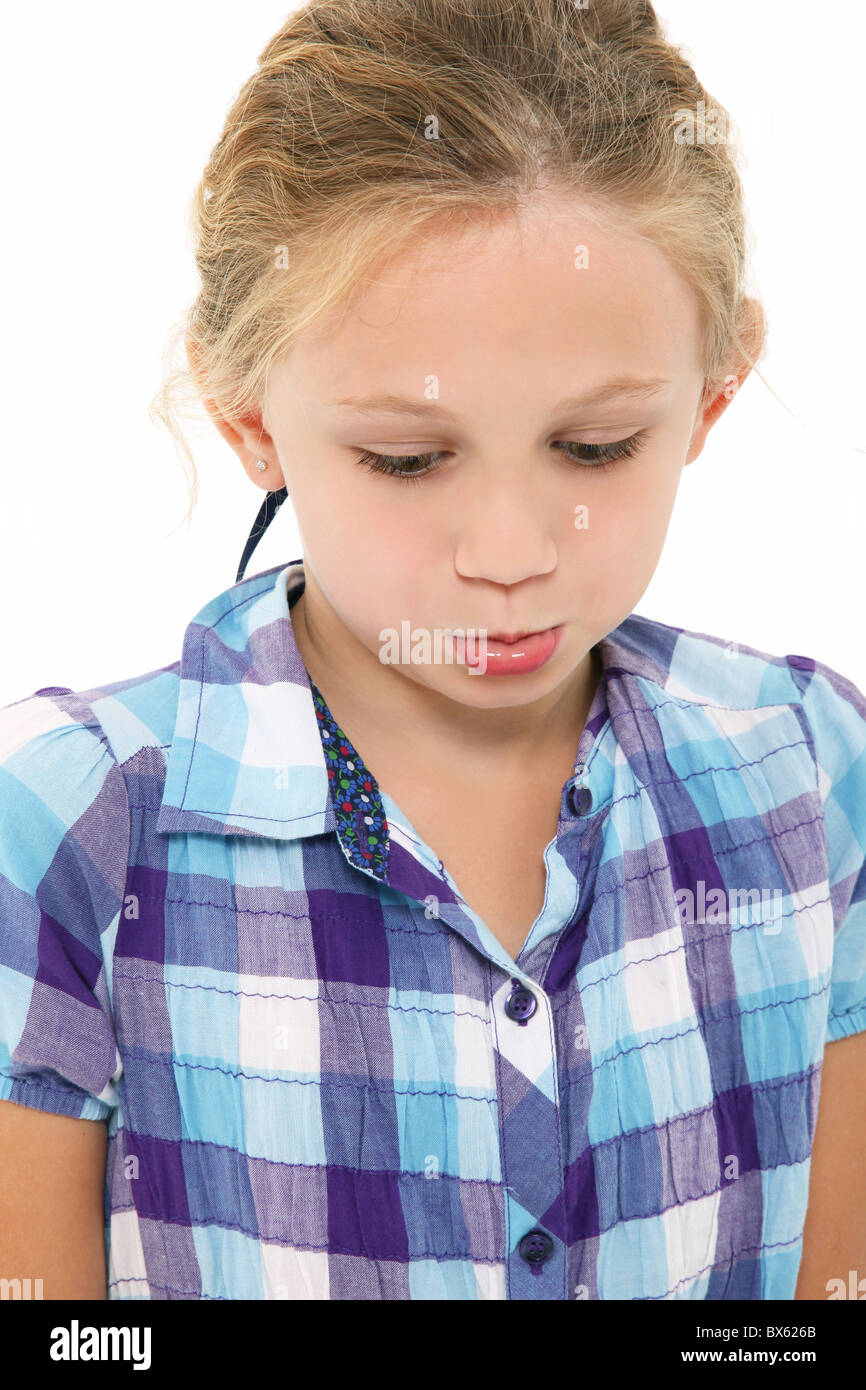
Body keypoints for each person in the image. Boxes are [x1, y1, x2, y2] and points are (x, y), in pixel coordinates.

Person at [1, 0, 864, 1302]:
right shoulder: (70, 829)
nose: (510, 549)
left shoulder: (809, 769)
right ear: (247, 418)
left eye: (594, 446)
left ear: (713, 391)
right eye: (406, 459)